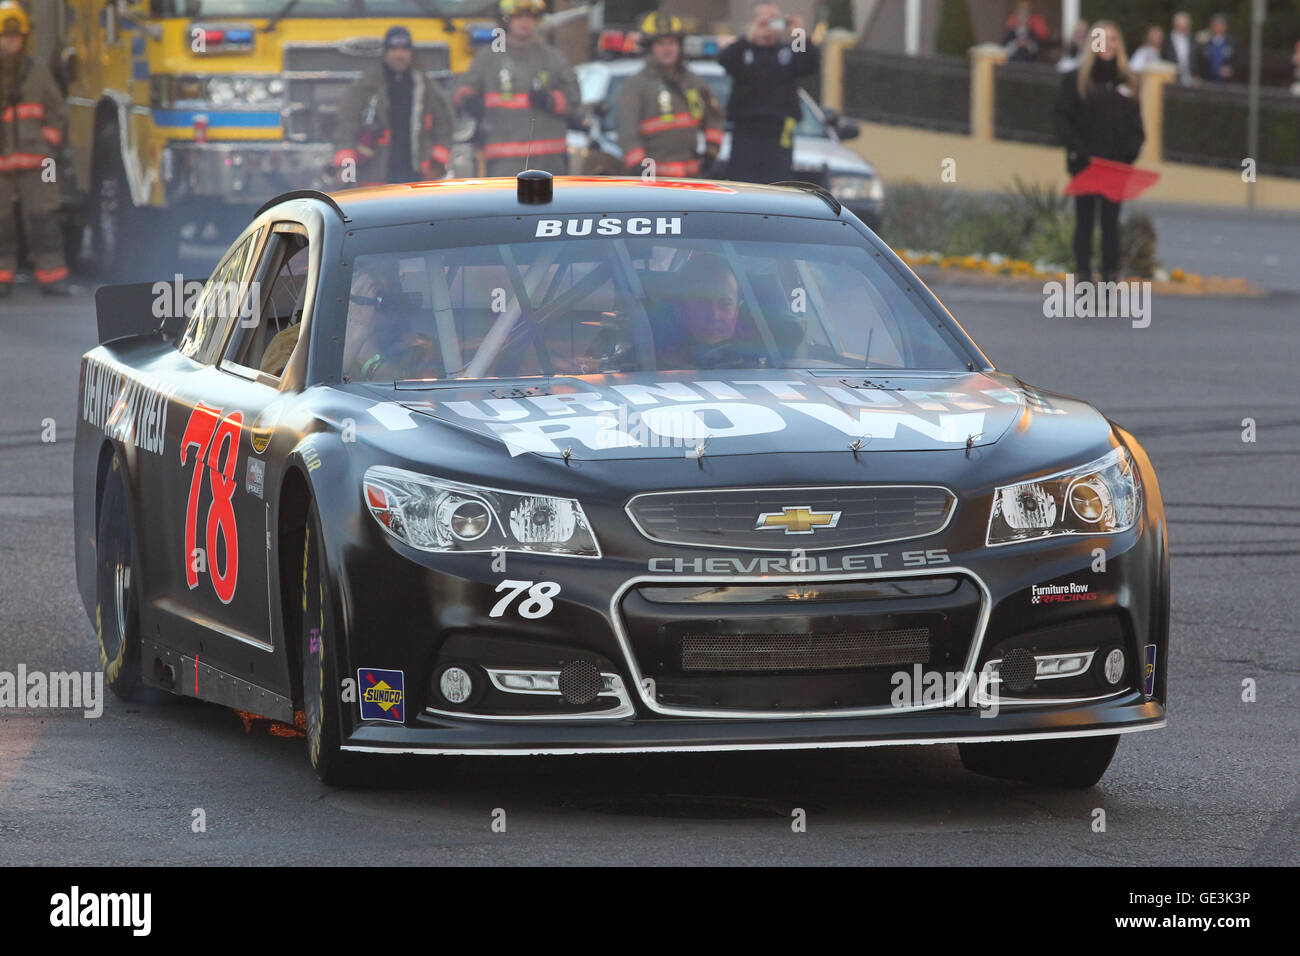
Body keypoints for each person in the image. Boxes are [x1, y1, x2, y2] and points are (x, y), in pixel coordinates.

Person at [1053, 20, 1144, 283]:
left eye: (1113, 38)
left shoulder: (1127, 81)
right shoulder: (1076, 80)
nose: (1108, 44)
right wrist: (1079, 151)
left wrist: (1128, 153)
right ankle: (1083, 277)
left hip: (1115, 167)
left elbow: (1136, 126)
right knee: (1084, 222)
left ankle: (1109, 278)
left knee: (1110, 225)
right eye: (1101, 38)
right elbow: (1061, 118)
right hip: (1085, 164)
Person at [453, 0, 579, 177]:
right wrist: (468, 100)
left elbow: (575, 98)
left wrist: (552, 101)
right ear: (506, 21)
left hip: (549, 162)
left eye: (529, 17)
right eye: (518, 17)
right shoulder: (488, 59)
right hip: (503, 163)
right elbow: (459, 91)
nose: (524, 23)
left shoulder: (553, 59)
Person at [0, 0, 70, 297]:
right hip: (2, 164)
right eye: (5, 36)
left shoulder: (38, 72)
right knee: (1, 224)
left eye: (15, 37)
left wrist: (48, 143)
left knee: (45, 218)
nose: (10, 42)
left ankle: (51, 276)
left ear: (24, 38)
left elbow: (58, 112)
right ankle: (2, 278)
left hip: (40, 162)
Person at [333, 26, 454, 186]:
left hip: (416, 174)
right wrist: (346, 166)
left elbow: (445, 124)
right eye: (393, 49)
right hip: (373, 174)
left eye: (404, 49)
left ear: (411, 53)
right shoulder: (366, 87)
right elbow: (346, 126)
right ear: (385, 53)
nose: (399, 55)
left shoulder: (426, 87)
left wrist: (437, 163)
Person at [717, 1, 818, 184]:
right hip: (746, 132)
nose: (768, 27)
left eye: (774, 21)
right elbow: (725, 60)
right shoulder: (743, 50)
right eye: (764, 21)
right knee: (743, 184)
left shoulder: (787, 51)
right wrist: (749, 37)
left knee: (777, 183)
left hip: (779, 133)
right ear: (753, 22)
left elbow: (808, 64)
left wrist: (798, 33)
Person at [617, 13, 724, 179]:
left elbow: (714, 117)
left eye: (672, 42)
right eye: (660, 43)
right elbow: (627, 132)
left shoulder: (693, 81)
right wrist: (641, 169)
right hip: (656, 182)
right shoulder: (636, 85)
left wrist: (711, 153)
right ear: (650, 47)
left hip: (692, 179)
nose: (667, 49)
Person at [342, 265, 438, 381]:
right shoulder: (329, 347)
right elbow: (324, 389)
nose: (366, 310)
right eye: (359, 303)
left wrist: (368, 355)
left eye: (381, 302)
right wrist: (353, 344)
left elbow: (408, 391)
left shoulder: (420, 348)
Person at [1198, 14, 1236, 83]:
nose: (1218, 28)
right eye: (1216, 26)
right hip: (1207, 82)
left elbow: (1239, 60)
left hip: (1227, 83)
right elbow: (1197, 60)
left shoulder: (1232, 42)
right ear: (1211, 27)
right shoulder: (1204, 41)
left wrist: (1231, 69)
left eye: (1221, 26)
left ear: (1225, 27)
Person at [1160, 12, 1196, 85]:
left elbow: (1196, 60)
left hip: (1191, 81)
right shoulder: (1166, 41)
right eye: (1182, 24)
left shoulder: (1193, 39)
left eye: (1187, 24)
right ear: (1175, 25)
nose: (1185, 27)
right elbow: (1163, 60)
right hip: (1172, 80)